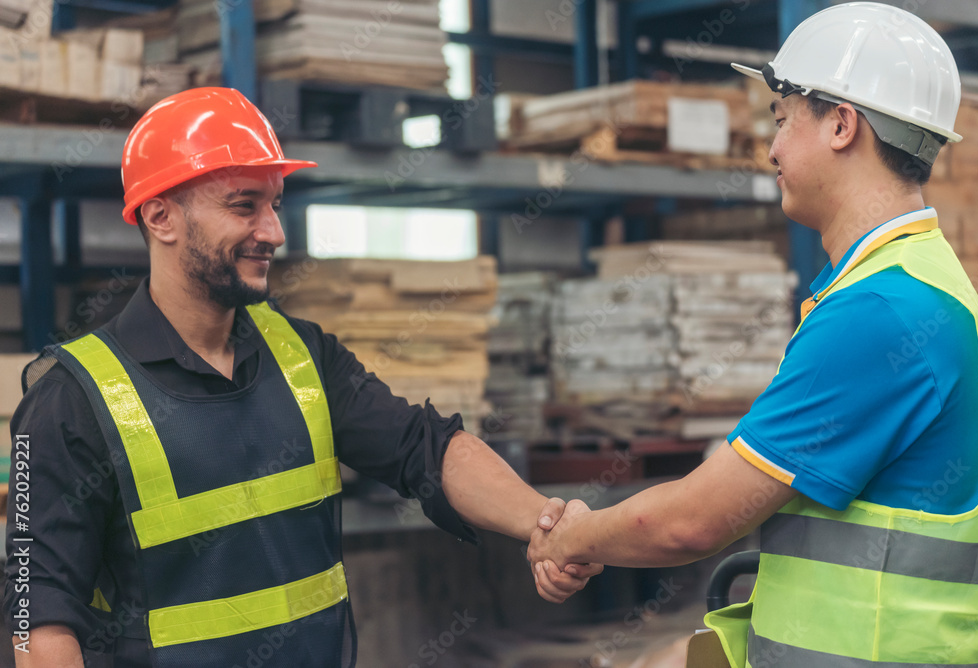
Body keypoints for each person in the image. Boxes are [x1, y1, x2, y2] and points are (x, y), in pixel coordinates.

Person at [3, 87, 600, 668]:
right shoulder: (68, 400)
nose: (274, 232)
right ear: (161, 217)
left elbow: (425, 447)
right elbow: (39, 612)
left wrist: (547, 524)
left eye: (275, 205)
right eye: (244, 206)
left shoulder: (302, 355)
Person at [529, 3, 978, 667]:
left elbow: (694, 522)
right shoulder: (917, 279)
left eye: (781, 120)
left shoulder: (881, 309)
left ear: (842, 125)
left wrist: (571, 538)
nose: (772, 148)